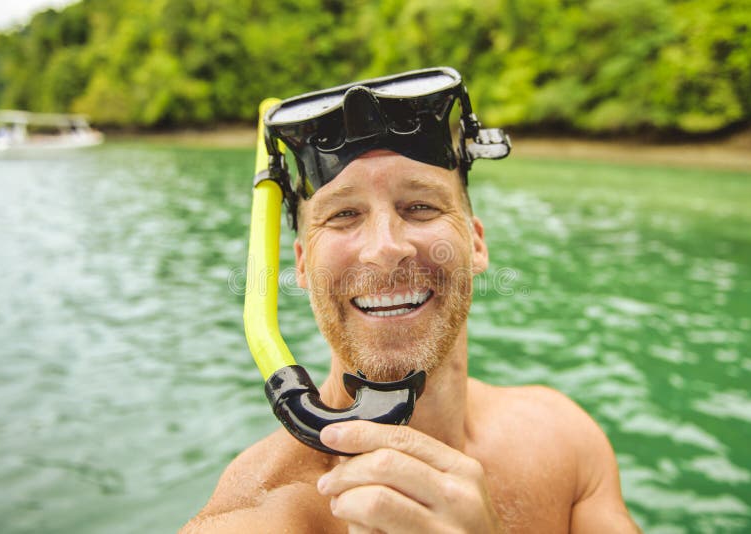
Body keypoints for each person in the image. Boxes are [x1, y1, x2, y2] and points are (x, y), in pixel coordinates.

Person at [182, 68, 640, 533]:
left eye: (420, 207)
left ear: (477, 244)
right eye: (343, 215)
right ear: (301, 266)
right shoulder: (258, 517)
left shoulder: (563, 443)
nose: (385, 248)